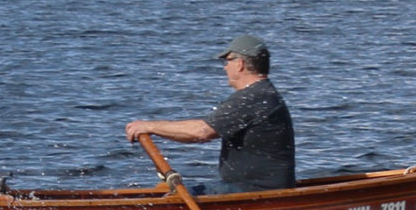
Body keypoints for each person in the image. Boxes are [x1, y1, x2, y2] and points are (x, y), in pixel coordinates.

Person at [123, 35, 296, 194]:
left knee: (175, 198)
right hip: (254, 187)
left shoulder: (253, 97)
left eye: (227, 61)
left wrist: (149, 126)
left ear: (240, 64)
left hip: (254, 191)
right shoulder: (263, 94)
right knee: (164, 191)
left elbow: (201, 132)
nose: (225, 68)